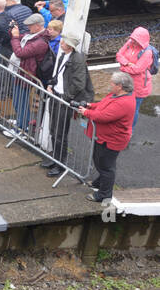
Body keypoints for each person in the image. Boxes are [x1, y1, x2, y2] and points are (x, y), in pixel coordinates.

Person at [77, 72, 136, 202]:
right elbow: (103, 105)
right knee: (100, 162)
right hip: (104, 138)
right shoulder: (116, 95)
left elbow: (103, 116)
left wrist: (86, 112)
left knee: (106, 167)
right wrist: (90, 105)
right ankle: (99, 183)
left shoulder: (123, 103)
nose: (110, 85)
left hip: (111, 140)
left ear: (120, 86)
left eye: (112, 83)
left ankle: (104, 194)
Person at [41, 31, 94, 176]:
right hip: (57, 96)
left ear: (70, 46)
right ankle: (55, 158)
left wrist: (66, 97)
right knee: (54, 130)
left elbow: (79, 83)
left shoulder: (77, 59)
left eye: (63, 42)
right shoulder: (64, 55)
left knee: (60, 132)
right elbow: (59, 74)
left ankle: (60, 163)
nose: (61, 43)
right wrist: (52, 84)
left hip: (63, 100)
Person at [10, 14, 50, 130]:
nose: (28, 28)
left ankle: (22, 127)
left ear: (37, 26)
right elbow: (19, 37)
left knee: (20, 101)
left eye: (30, 26)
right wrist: (13, 31)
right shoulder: (32, 35)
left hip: (26, 74)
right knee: (18, 99)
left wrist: (15, 37)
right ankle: (21, 121)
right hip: (22, 72)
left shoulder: (40, 42)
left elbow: (20, 53)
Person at [115, 27, 154, 128]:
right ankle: (122, 126)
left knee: (133, 110)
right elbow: (119, 55)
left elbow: (137, 69)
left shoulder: (147, 52)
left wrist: (123, 68)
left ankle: (129, 130)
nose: (134, 42)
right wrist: (127, 63)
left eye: (137, 40)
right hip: (127, 82)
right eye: (134, 39)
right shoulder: (130, 42)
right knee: (123, 106)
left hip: (139, 86)